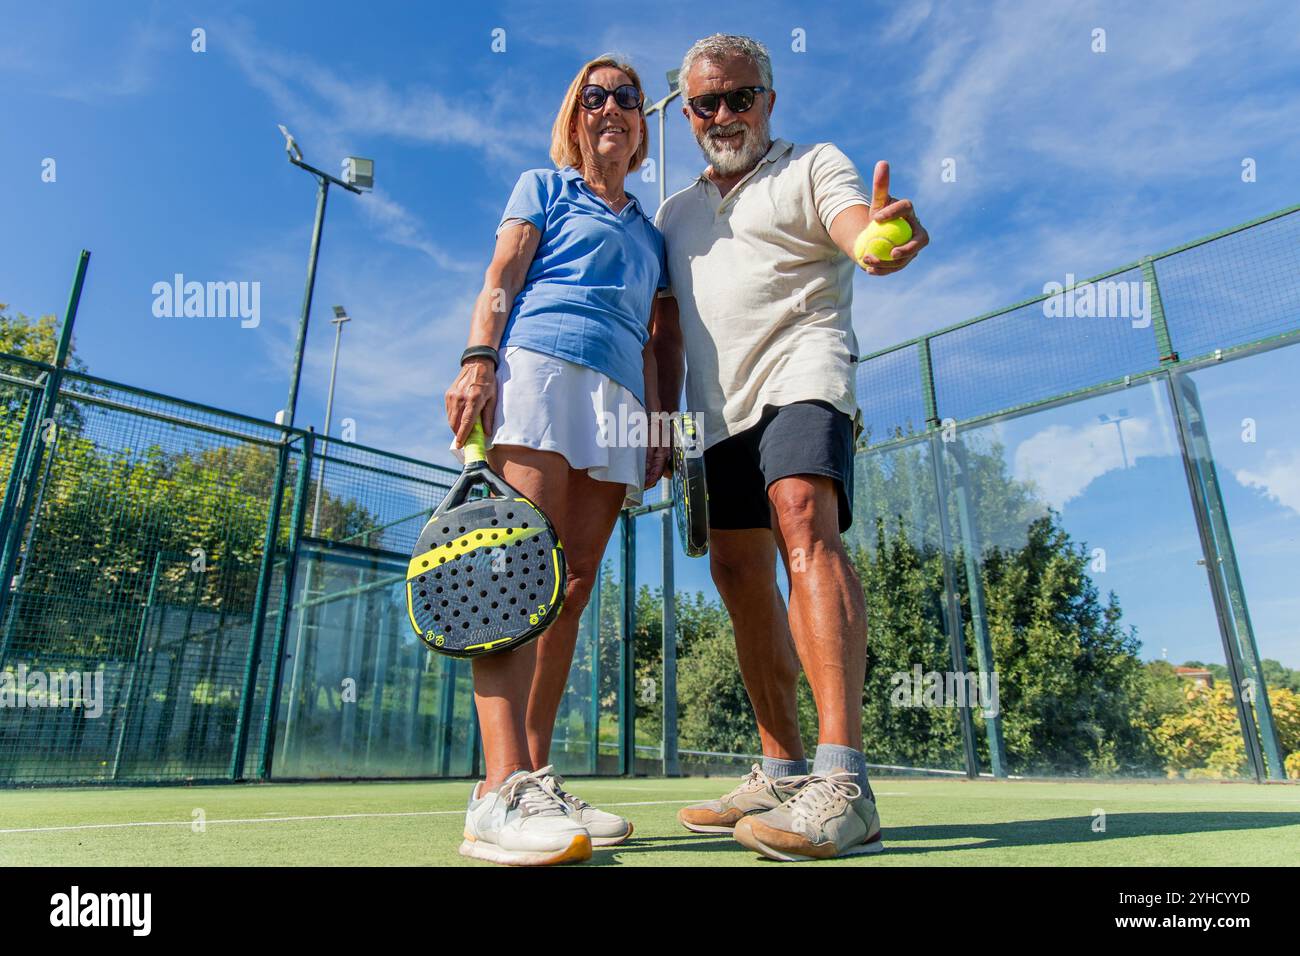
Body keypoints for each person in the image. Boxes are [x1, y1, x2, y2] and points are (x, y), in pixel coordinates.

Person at [648, 33, 928, 861]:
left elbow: (854, 228)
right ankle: (781, 768)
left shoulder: (815, 166)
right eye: (707, 103)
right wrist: (663, 421)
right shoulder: (673, 215)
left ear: (769, 99)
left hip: (805, 375)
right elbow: (665, 336)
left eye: (741, 97)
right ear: (690, 113)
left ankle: (845, 784)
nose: (724, 114)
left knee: (805, 520)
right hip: (713, 413)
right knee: (736, 572)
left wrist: (875, 238)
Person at [442, 55, 668, 866]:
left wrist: (663, 427)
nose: (611, 107)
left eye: (627, 99)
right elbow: (503, 273)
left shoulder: (652, 234)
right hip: (536, 369)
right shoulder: (543, 185)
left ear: (642, 125)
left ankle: (530, 775)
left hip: (619, 405)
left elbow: (659, 339)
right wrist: (478, 357)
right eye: (595, 97)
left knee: (569, 593)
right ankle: (496, 792)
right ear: (576, 117)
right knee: (513, 575)